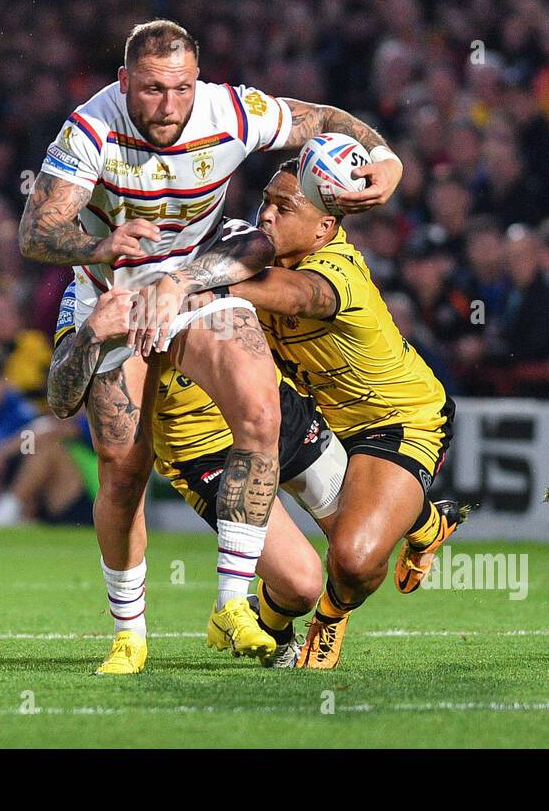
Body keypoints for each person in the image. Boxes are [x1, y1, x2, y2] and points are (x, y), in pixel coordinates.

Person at [22, 18, 404, 675]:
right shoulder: (89, 129)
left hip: (198, 278)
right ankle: (128, 634)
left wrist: (388, 162)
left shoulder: (230, 111)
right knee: (120, 467)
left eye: (180, 88)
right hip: (114, 290)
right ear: (123, 83)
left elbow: (324, 119)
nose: (168, 105)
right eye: (150, 90)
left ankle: (232, 602)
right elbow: (36, 230)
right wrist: (98, 246)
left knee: (260, 412)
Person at [48, 278, 351, 668]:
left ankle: (422, 520)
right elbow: (60, 398)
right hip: (205, 452)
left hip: (275, 414)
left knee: (360, 549)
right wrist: (92, 334)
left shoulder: (208, 252)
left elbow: (292, 287)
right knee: (302, 585)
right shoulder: (91, 293)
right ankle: (260, 618)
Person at [227, 158, 459, 669]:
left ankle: (328, 616)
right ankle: (422, 521)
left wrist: (213, 280)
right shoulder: (261, 259)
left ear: (324, 227)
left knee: (352, 560)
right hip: (320, 418)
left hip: (398, 422)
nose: (266, 215)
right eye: (265, 201)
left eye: (283, 208)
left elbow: (302, 296)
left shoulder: (336, 270)